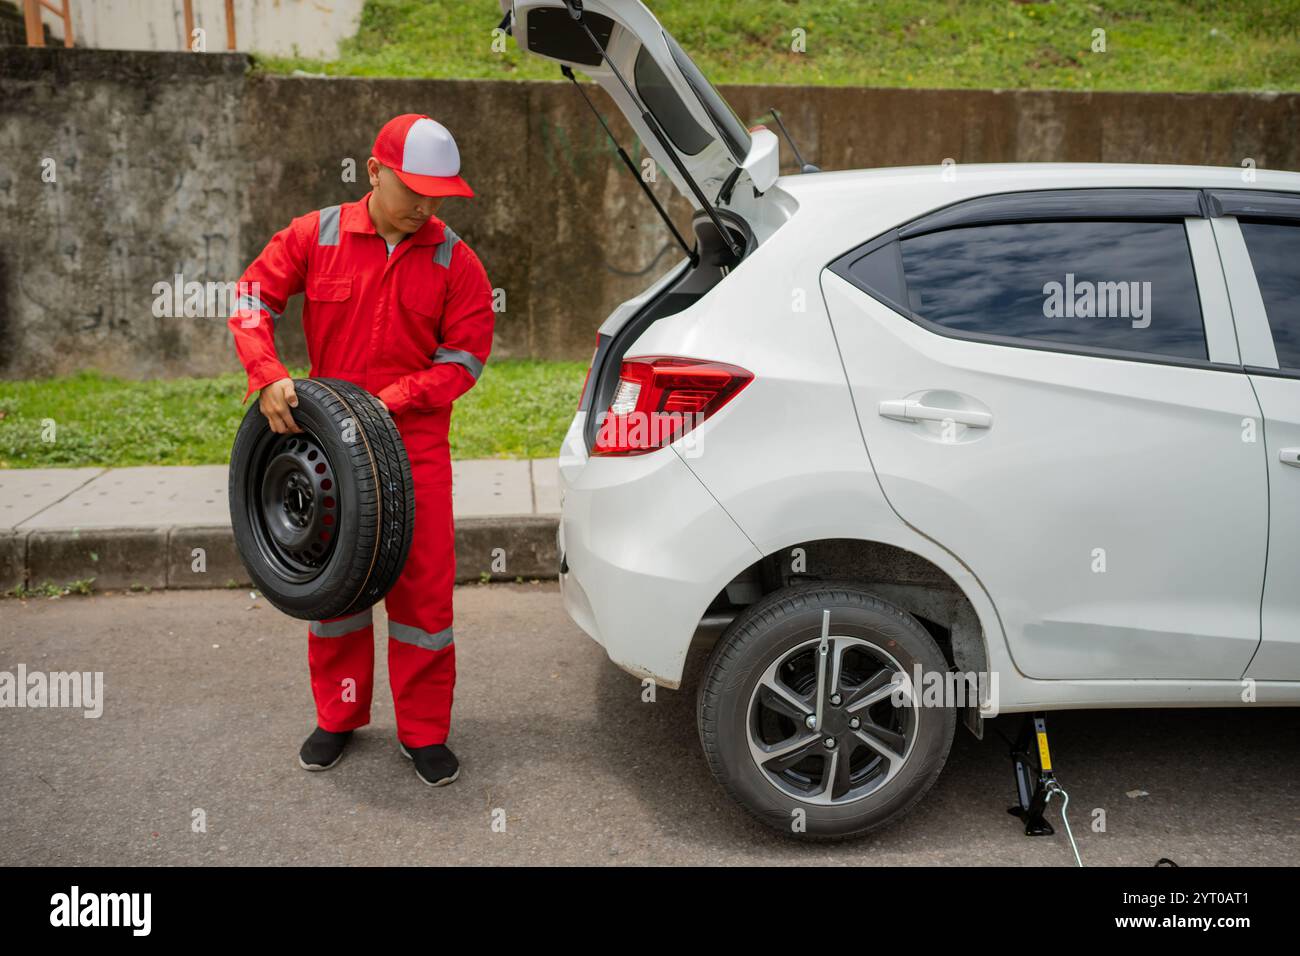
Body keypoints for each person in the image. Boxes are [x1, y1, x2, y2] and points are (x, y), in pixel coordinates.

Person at [227, 114, 494, 786]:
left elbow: (464, 361)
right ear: (373, 172)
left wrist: (393, 401)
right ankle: (340, 718)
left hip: (416, 451)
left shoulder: (454, 260)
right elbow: (252, 296)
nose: (426, 206)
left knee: (423, 599)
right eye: (413, 190)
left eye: (439, 194)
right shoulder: (313, 236)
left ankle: (425, 734)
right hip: (333, 452)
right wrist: (266, 373)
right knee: (336, 590)